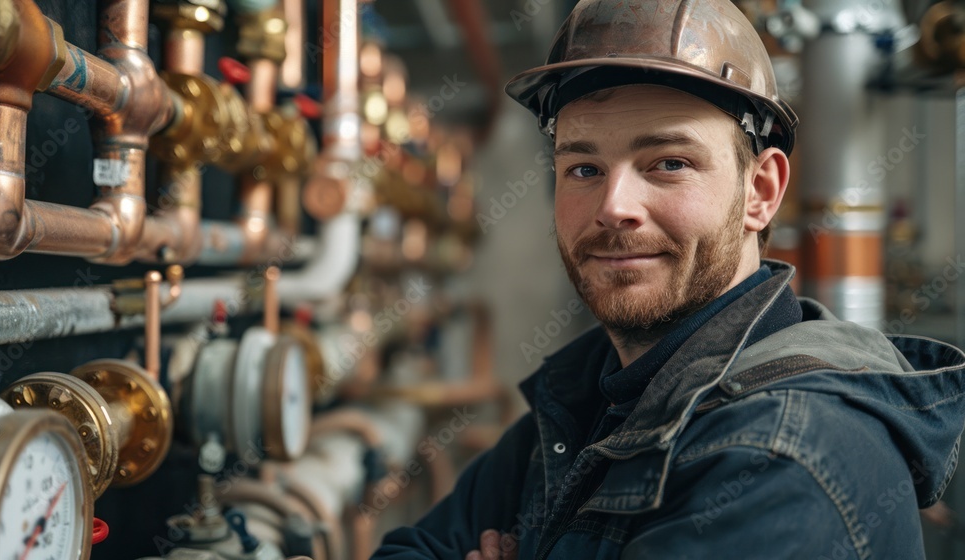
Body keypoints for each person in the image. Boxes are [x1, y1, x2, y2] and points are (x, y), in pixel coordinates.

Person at [372, 0, 965, 558]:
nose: (614, 207)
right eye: (583, 168)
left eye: (669, 163)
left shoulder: (783, 455)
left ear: (760, 192)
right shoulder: (592, 397)